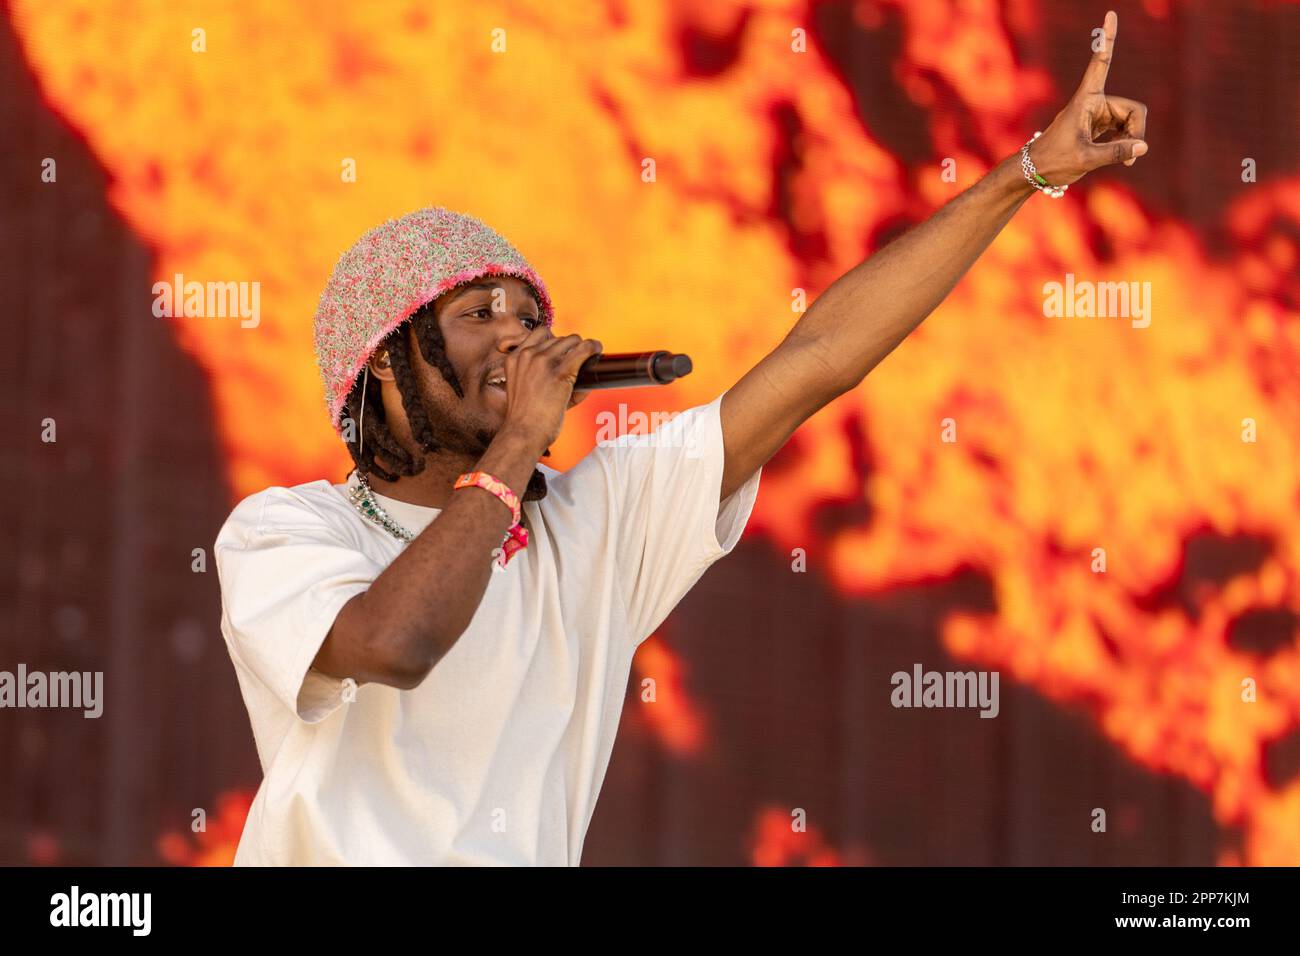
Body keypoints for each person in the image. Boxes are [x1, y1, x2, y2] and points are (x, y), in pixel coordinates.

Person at [215, 11, 1146, 865]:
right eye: (477, 313)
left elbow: (820, 357)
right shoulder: (285, 533)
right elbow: (393, 645)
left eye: (529, 314)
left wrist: (1028, 174)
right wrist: (516, 448)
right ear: (386, 363)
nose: (517, 334)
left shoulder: (592, 525)